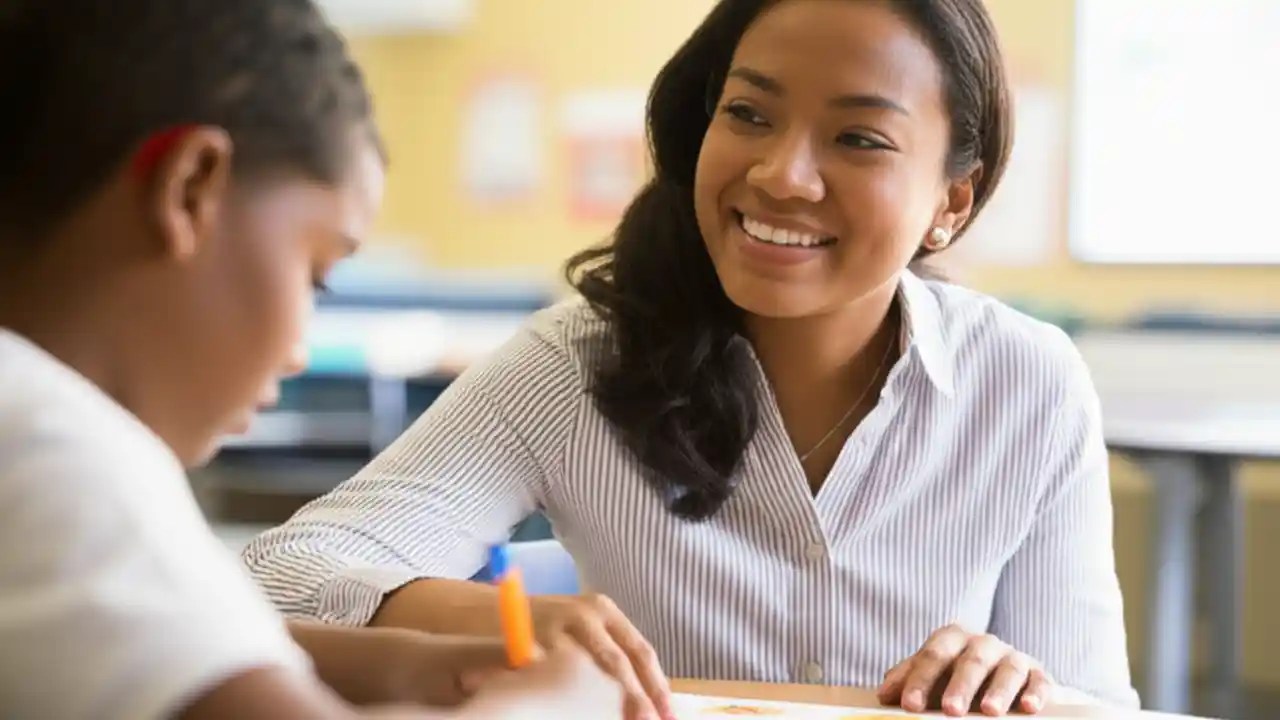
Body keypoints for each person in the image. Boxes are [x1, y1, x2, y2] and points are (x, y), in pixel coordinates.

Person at [244, 0, 1140, 717]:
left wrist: (1020, 685)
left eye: (859, 138)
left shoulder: (1030, 382)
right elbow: (280, 574)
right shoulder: (579, 360)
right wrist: (521, 627)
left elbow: (1097, 704)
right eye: (748, 113)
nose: (783, 174)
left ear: (951, 202)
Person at [0, 1, 622, 718]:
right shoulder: (54, 452)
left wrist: (413, 664)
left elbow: (170, 638)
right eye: (315, 275)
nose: (298, 351)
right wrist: (552, 703)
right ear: (190, 187)